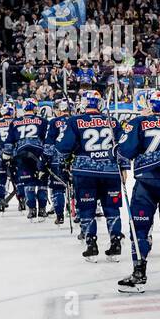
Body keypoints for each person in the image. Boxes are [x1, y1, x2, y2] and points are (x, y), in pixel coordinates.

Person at [115, 88, 160, 293]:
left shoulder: (139, 122)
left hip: (146, 183)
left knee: (139, 230)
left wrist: (117, 149)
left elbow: (125, 150)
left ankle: (139, 272)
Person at [54, 89, 125, 260]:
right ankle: (115, 241)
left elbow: (63, 147)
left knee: (86, 209)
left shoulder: (74, 121)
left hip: (85, 173)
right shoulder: (112, 122)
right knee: (111, 208)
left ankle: (91, 243)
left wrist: (63, 164)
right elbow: (123, 147)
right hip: (110, 172)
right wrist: (123, 168)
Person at [7, 98, 48, 222]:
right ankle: (42, 209)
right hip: (38, 154)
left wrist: (7, 155)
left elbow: (9, 142)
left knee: (28, 183)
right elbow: (48, 140)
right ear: (34, 108)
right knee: (42, 182)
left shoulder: (14, 122)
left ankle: (31, 209)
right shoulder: (43, 121)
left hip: (22, 155)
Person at [42, 98, 73, 224]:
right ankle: (76, 213)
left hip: (57, 159)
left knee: (58, 188)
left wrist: (46, 159)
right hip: (74, 160)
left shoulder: (54, 122)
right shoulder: (77, 120)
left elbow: (49, 143)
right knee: (76, 187)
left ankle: (59, 215)